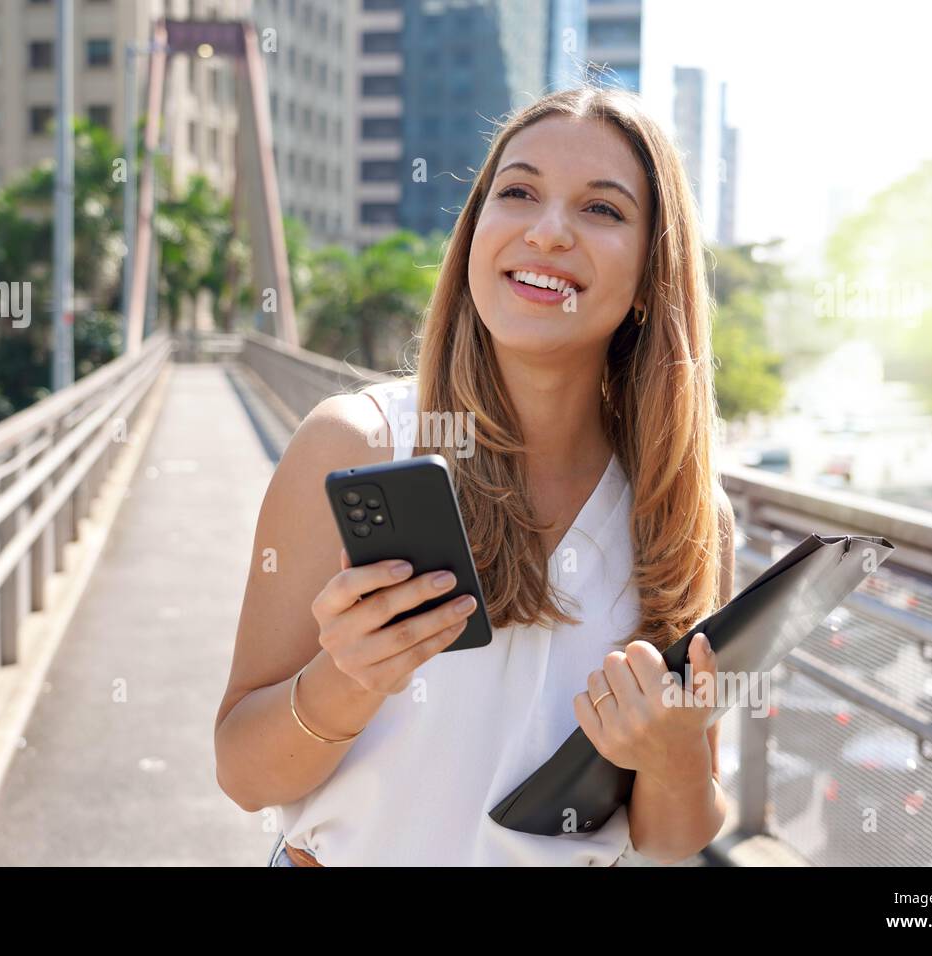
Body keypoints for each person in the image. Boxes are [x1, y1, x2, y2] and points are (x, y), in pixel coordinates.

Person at [215, 84, 736, 866]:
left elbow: (672, 838)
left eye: (602, 209)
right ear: (474, 235)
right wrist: (346, 679)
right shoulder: (356, 444)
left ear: (650, 276)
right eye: (518, 192)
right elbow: (243, 775)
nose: (548, 232)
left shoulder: (688, 517)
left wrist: (674, 753)